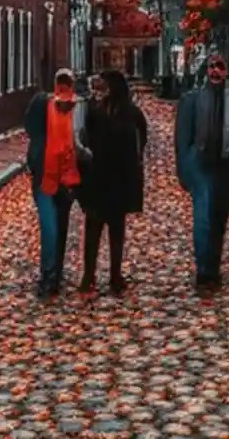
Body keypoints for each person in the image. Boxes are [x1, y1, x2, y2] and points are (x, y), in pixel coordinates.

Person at [175, 51, 229, 293]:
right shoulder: (192, 100)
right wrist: (184, 166)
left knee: (219, 219)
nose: (215, 71)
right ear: (206, 70)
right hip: (200, 164)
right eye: (212, 66)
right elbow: (182, 138)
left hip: (226, 164)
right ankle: (203, 271)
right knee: (203, 217)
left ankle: (214, 267)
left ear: (227, 71)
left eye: (220, 67)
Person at [79, 70, 148, 295]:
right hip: (99, 177)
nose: (102, 90)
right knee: (93, 230)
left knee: (114, 230)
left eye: (105, 85)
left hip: (118, 178)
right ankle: (90, 274)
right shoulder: (96, 111)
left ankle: (114, 276)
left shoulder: (131, 113)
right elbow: (86, 137)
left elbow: (141, 141)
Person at [24, 68, 83, 298]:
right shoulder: (42, 103)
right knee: (50, 227)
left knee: (59, 227)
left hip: (66, 178)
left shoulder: (77, 109)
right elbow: (30, 125)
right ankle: (49, 275)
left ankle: (54, 274)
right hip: (46, 176)